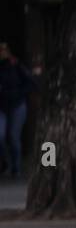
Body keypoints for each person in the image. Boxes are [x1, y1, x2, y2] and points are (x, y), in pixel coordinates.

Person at [0, 42, 36, 179]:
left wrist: (18, 93)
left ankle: (16, 168)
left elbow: (30, 83)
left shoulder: (16, 65)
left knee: (14, 137)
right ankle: (5, 162)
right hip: (2, 107)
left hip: (17, 105)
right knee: (0, 136)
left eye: (3, 50)